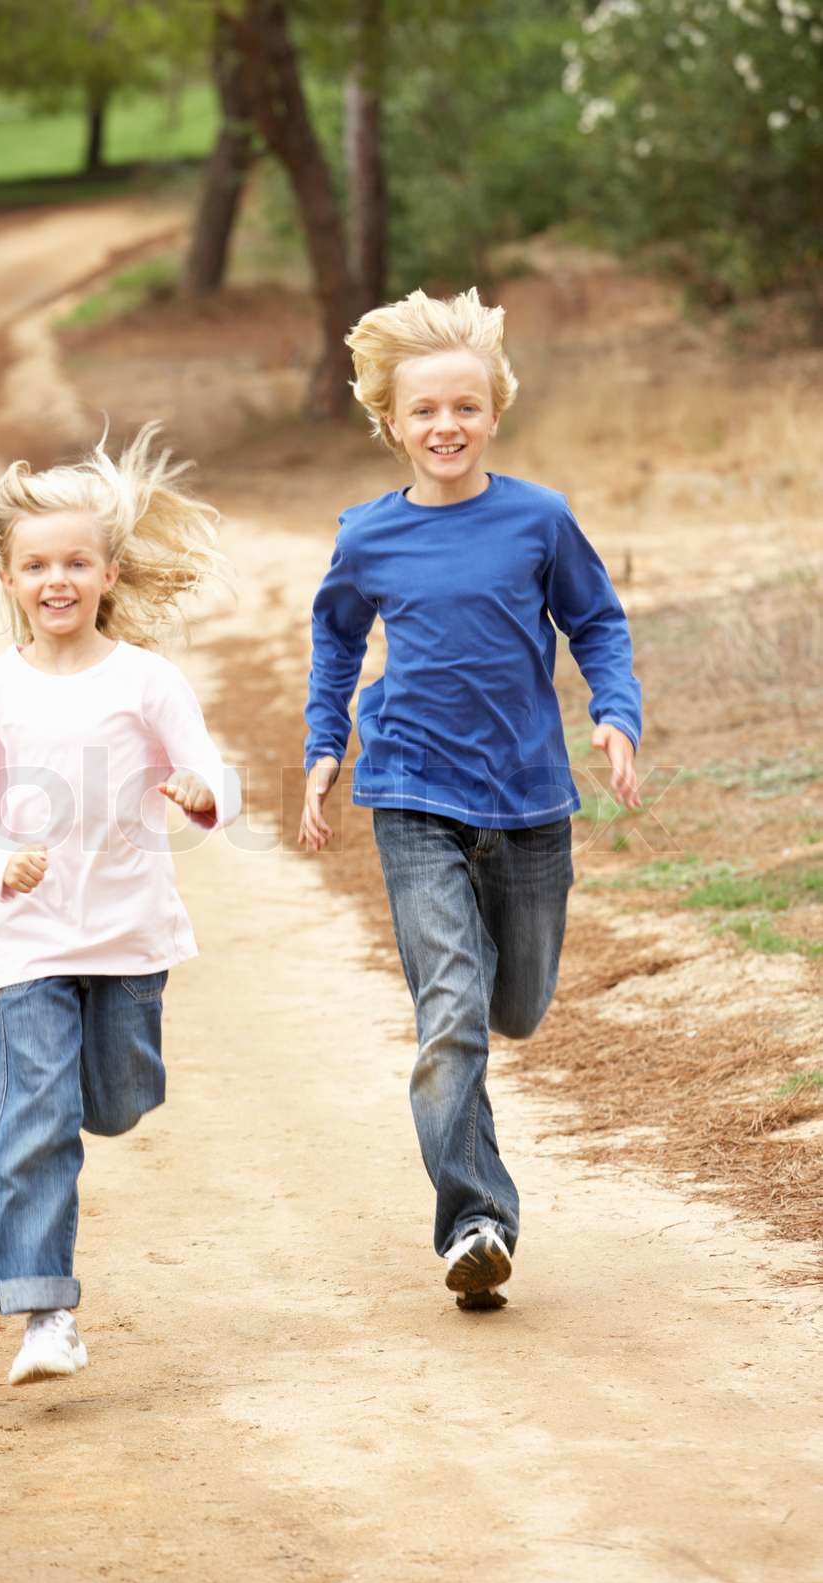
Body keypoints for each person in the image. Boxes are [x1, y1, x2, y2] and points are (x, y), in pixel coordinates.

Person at [299, 288, 641, 1311]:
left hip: (530, 798)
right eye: (422, 411)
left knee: (515, 1004)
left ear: (493, 410)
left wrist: (613, 712)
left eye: (463, 406)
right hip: (412, 791)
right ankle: (475, 1223)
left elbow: (598, 624)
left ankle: (482, 1061)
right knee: (451, 1019)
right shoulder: (367, 535)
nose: (443, 426)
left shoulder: (538, 518)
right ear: (390, 422)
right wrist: (325, 745)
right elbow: (334, 640)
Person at [0, 426, 239, 1382]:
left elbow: (209, 766)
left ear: (106, 573)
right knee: (32, 1125)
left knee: (119, 1100)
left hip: (133, 939)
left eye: (75, 563)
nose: (56, 580)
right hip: (30, 944)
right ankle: (43, 1312)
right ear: (8, 578)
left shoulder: (146, 678)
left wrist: (199, 792)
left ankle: (112, 1098)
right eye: (35, 565)